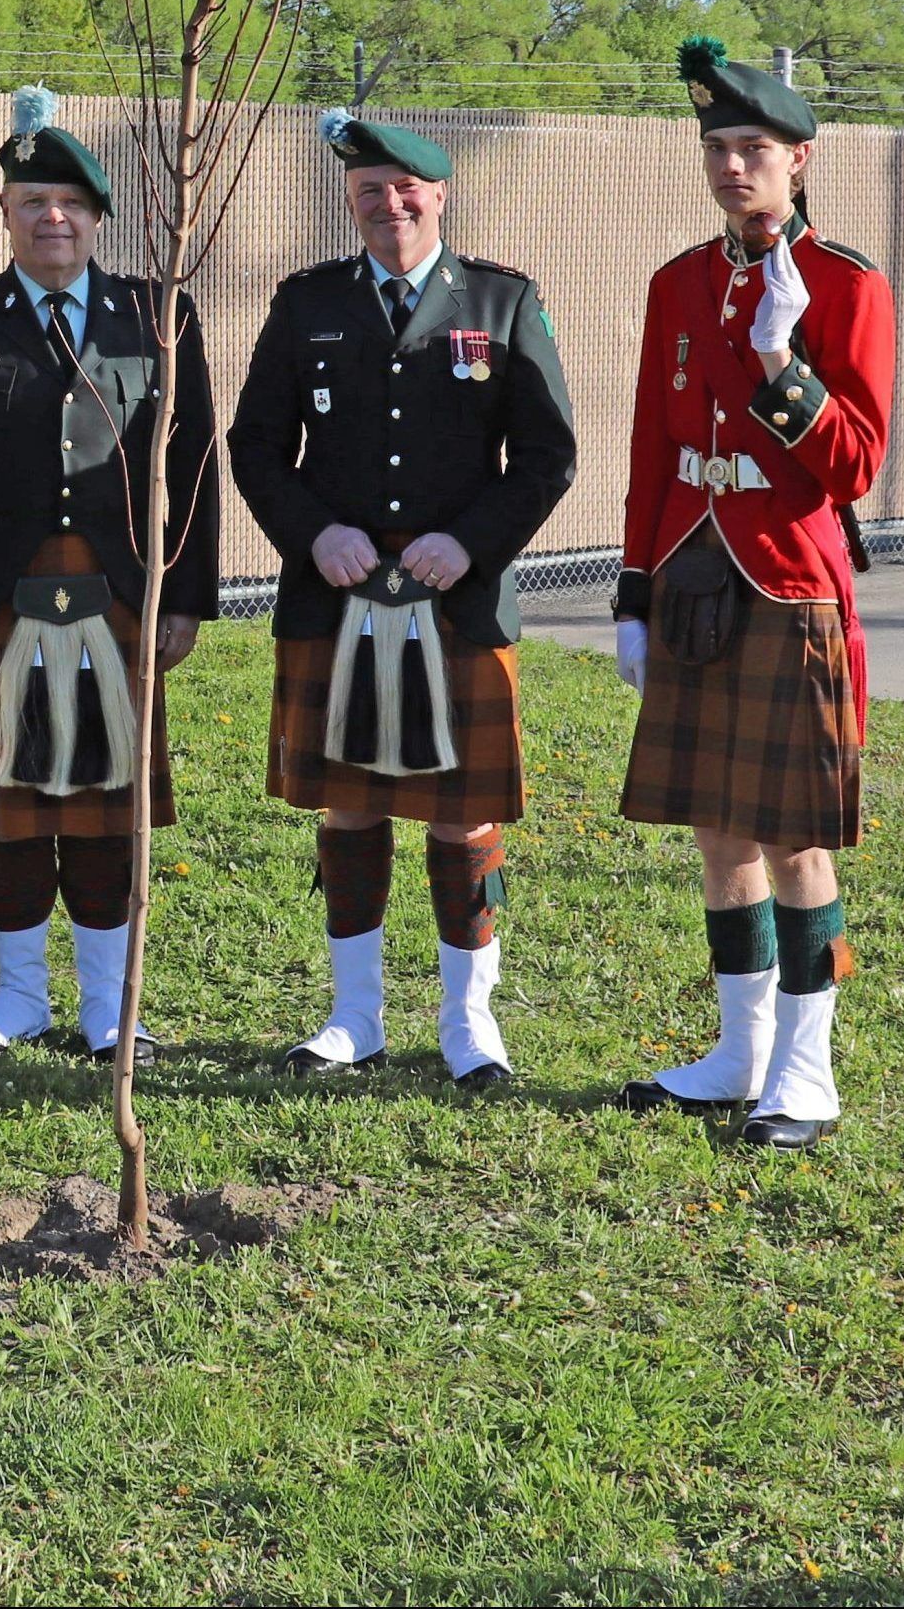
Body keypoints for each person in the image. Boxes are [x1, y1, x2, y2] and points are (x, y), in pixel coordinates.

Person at [228, 110, 576, 1090]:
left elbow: (546, 456)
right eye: (368, 192)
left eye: (404, 189)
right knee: (344, 809)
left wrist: (464, 543)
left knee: (460, 817)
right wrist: (312, 533)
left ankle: (468, 1026)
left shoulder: (501, 303)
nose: (388, 207)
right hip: (333, 595)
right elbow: (255, 445)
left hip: (455, 602)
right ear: (349, 202)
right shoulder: (305, 304)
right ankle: (352, 1018)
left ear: (438, 193)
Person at [0, 88, 219, 1061]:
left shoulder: (157, 316)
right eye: (30, 201)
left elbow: (191, 462)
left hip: (115, 593)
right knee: (8, 805)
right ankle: (18, 995)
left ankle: (110, 1008)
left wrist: (184, 596)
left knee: (105, 810)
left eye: (68, 202)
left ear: (97, 217)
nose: (51, 217)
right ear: (4, 212)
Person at [612, 39, 894, 1150]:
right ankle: (737, 1055)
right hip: (689, 573)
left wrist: (784, 368)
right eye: (719, 148)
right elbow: (647, 445)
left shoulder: (844, 285)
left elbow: (857, 465)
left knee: (791, 837)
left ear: (798, 160)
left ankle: (805, 1072)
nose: (733, 167)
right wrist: (631, 589)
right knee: (715, 828)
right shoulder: (676, 281)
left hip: (788, 579)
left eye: (754, 149)